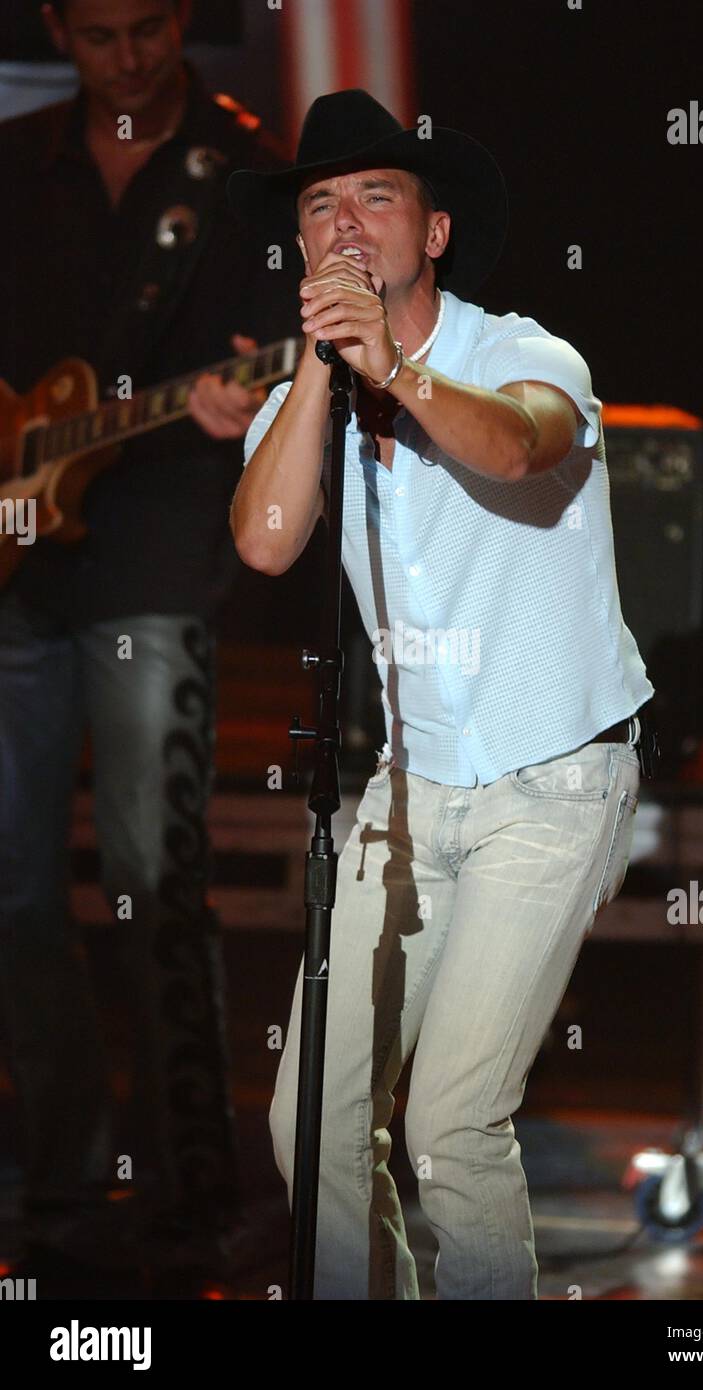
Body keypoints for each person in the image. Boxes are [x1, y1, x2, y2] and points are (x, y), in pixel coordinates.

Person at [230, 88, 655, 1300]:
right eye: (320, 206)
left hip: (554, 776)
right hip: (409, 791)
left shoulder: (523, 354)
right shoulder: (298, 396)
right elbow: (264, 541)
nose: (346, 224)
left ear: (435, 233)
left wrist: (395, 370)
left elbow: (519, 448)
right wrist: (323, 372)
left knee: (453, 1130)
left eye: (376, 197)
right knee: (310, 1125)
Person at [0, 0, 301, 1286]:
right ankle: (63, 1181)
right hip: (20, 552)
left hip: (163, 543)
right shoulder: (16, 165)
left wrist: (257, 393)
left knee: (152, 881)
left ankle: (193, 1198)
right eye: (100, 32)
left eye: (150, 26)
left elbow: (296, 366)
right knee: (11, 892)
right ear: (57, 26)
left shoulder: (246, 176)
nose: (130, 56)